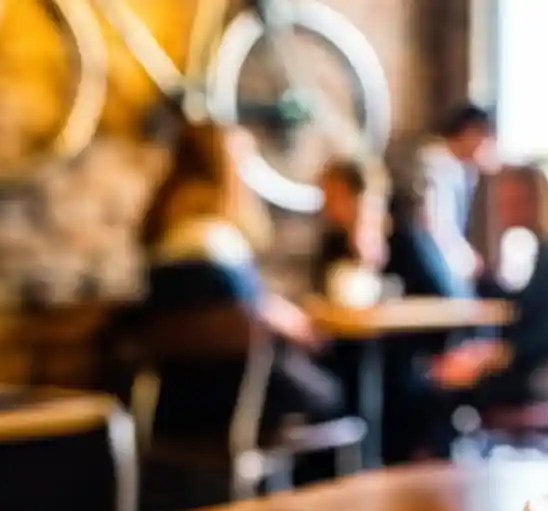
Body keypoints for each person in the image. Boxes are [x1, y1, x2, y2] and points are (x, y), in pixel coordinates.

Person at [141, 122, 343, 438]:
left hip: (175, 404)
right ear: (228, 170)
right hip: (237, 402)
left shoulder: (165, 240)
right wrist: (284, 318)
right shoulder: (216, 241)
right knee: (334, 390)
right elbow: (245, 319)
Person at [420, 165, 548, 455]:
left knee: (429, 388)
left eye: (510, 200)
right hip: (533, 371)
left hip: (534, 380)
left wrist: (488, 359)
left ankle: (434, 477)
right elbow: (520, 309)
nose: (502, 209)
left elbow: (544, 336)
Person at [420, 102, 496, 289]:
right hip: (431, 266)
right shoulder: (437, 165)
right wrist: (464, 257)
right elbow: (436, 224)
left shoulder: (460, 170)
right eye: (484, 139)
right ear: (470, 132)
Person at [312, 157, 385, 294]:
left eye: (334, 195)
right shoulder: (332, 240)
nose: (326, 202)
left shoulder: (403, 240)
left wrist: (362, 231)